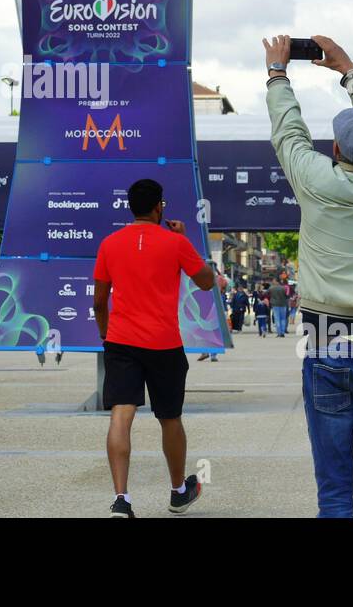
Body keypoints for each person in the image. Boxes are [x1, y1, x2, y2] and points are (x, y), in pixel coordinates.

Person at [264, 33, 353, 518]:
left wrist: (278, 74)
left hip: (327, 346)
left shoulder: (315, 179)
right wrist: (349, 69)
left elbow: (288, 133)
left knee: (334, 495)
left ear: (336, 147)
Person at [93, 178, 227, 518]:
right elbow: (207, 281)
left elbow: (99, 300)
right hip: (164, 343)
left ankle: (121, 499)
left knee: (121, 415)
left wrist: (106, 335)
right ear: (159, 207)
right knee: (170, 418)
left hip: (121, 341)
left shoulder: (109, 244)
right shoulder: (175, 242)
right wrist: (183, 240)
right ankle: (178, 491)